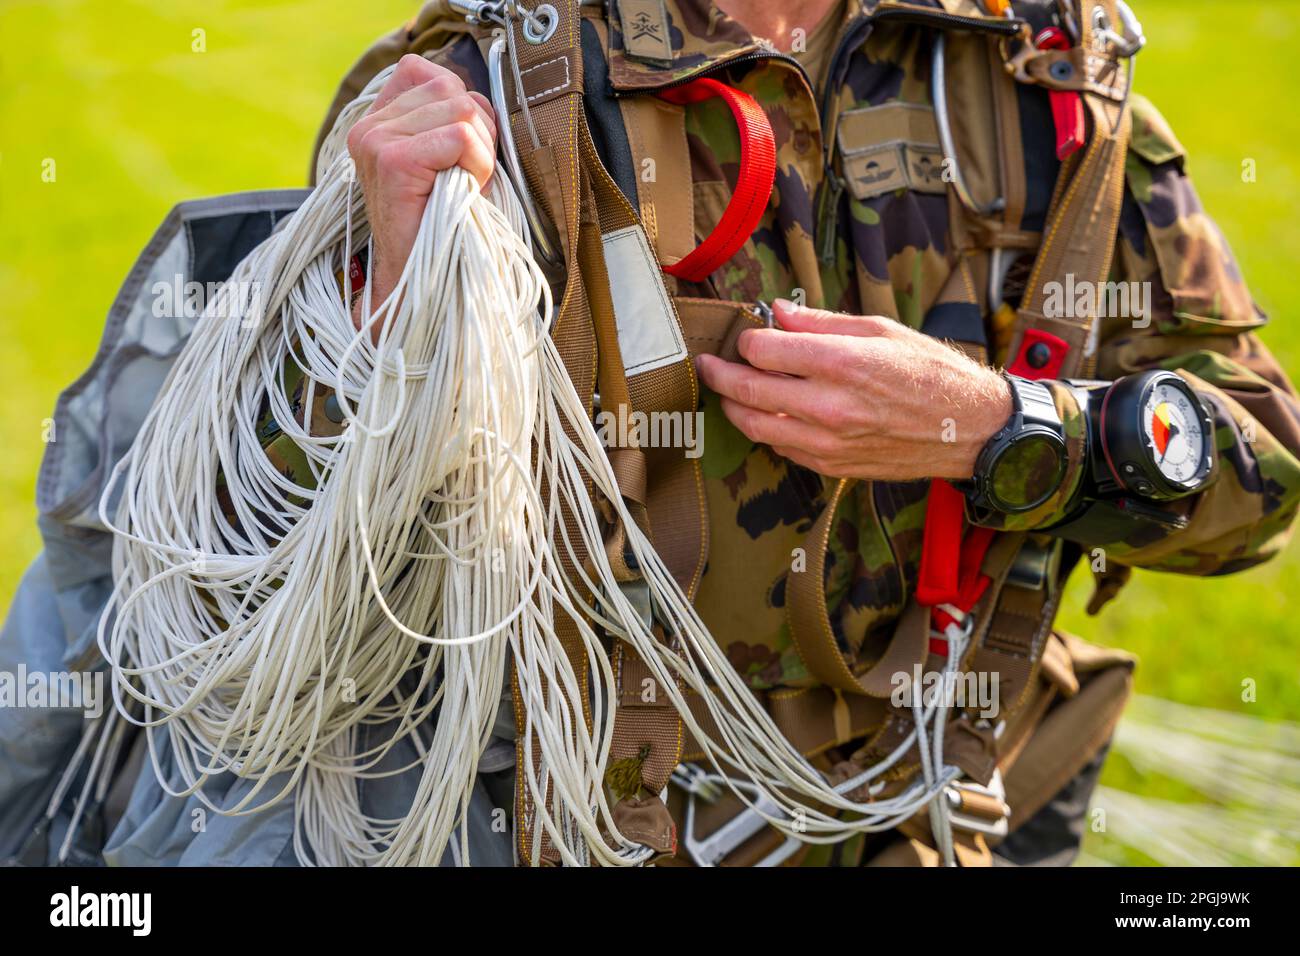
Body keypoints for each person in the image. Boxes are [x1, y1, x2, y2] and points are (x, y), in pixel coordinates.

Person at [4, 0, 1297, 866]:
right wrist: (394, 313)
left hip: (929, 821)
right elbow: (271, 566)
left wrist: (1003, 428)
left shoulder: (1040, 83)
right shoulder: (498, 90)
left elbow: (1263, 470)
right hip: (558, 832)